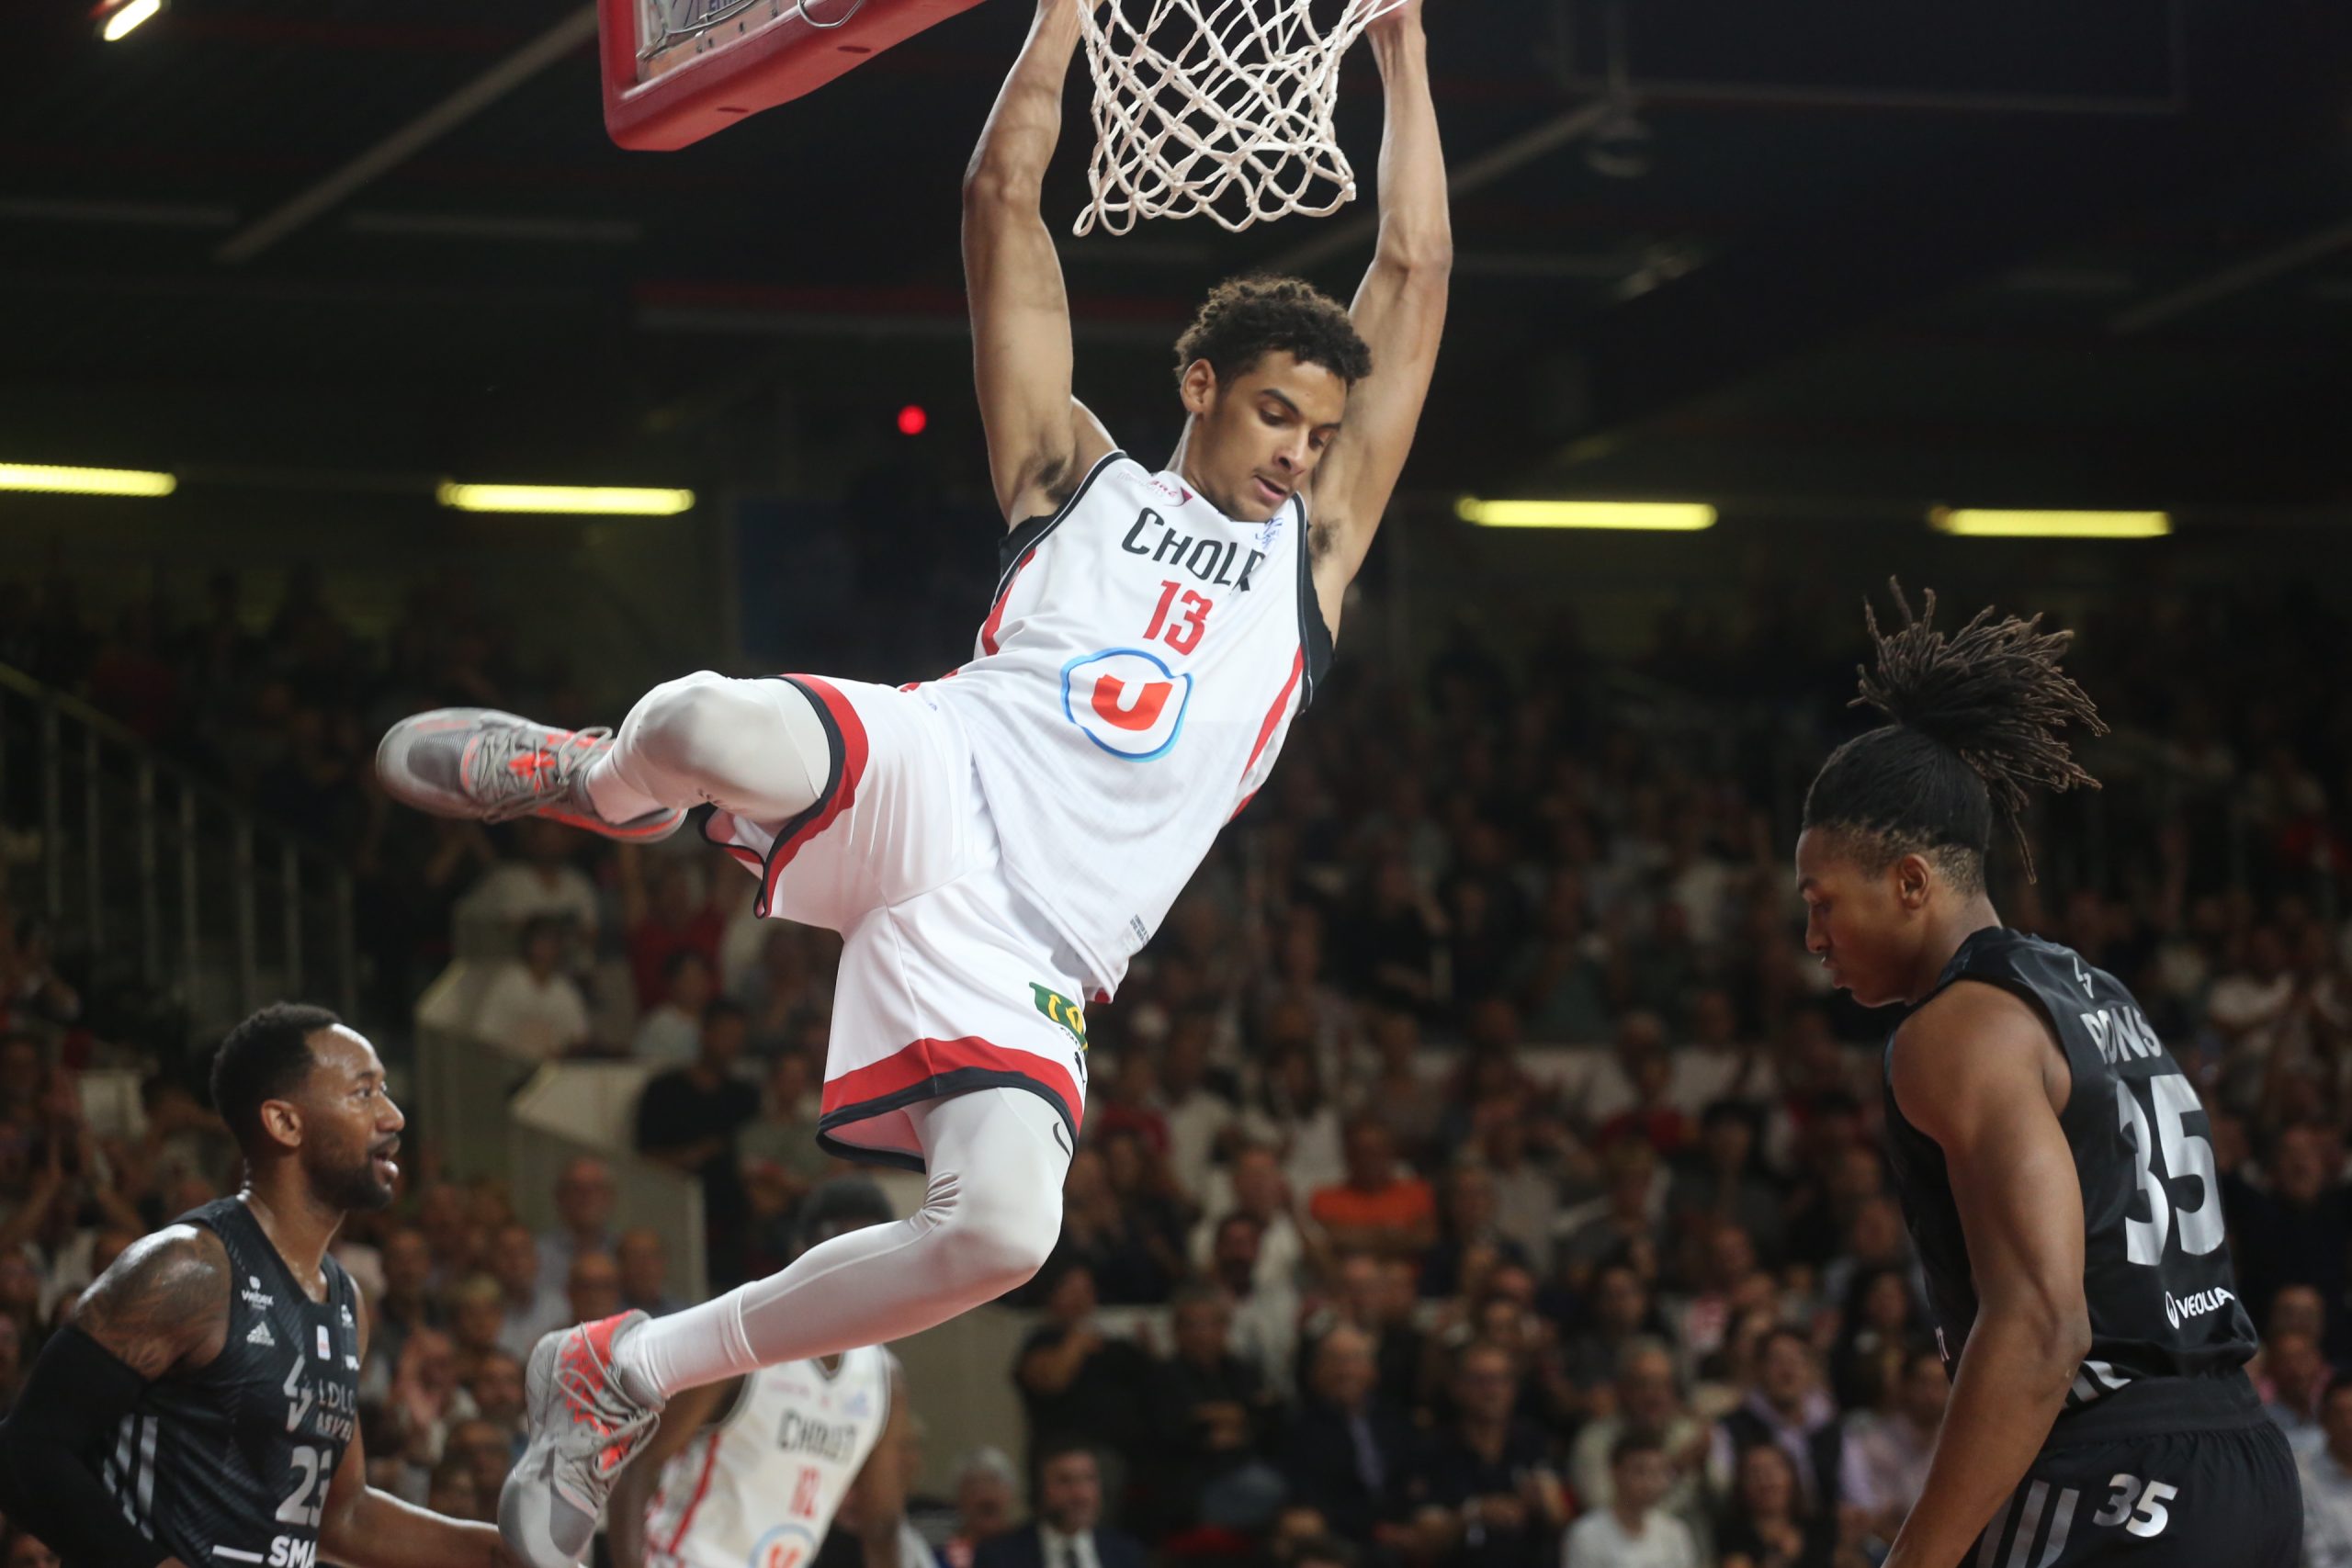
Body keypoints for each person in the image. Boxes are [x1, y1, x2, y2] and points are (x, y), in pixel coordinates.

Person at [373, 0, 1448, 1559]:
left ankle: (621, 1367)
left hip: (1042, 945)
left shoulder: (1313, 562)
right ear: (1201, 379)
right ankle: (602, 782)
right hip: (941, 773)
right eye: (1277, 410)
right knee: (700, 713)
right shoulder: (1072, 477)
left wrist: (1404, 54)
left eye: (1321, 429)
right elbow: (999, 206)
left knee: (1007, 1230)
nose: (1300, 450)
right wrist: (1066, 19)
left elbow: (1413, 278)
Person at [1792, 583, 2301, 1566]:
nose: (1812, 938)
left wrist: (1916, 1560)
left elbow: (2042, 1323)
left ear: (1909, 882)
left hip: (2116, 1476)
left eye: (1823, 903)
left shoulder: (1953, 1031)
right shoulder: (2085, 990)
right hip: (2242, 1460)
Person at [0, 1001, 514, 1566]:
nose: (392, 1116)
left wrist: (502, 1553)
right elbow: (26, 1452)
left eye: (385, 1091)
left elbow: (343, 1517)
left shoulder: (345, 1304)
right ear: (285, 1122)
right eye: (363, 1093)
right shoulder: (189, 1269)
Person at [607, 1179, 911, 1568]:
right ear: (801, 1251)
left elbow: (882, 1525)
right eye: (840, 1250)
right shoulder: (746, 1337)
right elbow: (637, 1463)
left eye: (869, 1256)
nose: (854, 1270)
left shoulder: (884, 1377)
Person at [971, 1439, 1144, 1568]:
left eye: (1089, 1479)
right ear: (1040, 1489)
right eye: (1065, 1481)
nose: (1080, 1494)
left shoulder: (1125, 1554)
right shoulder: (1001, 1557)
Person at [1562, 1433, 1701, 1568]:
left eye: (1658, 1472)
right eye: (1640, 1471)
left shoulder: (1675, 1533)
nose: (1650, 1483)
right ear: (1615, 1472)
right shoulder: (1586, 1535)